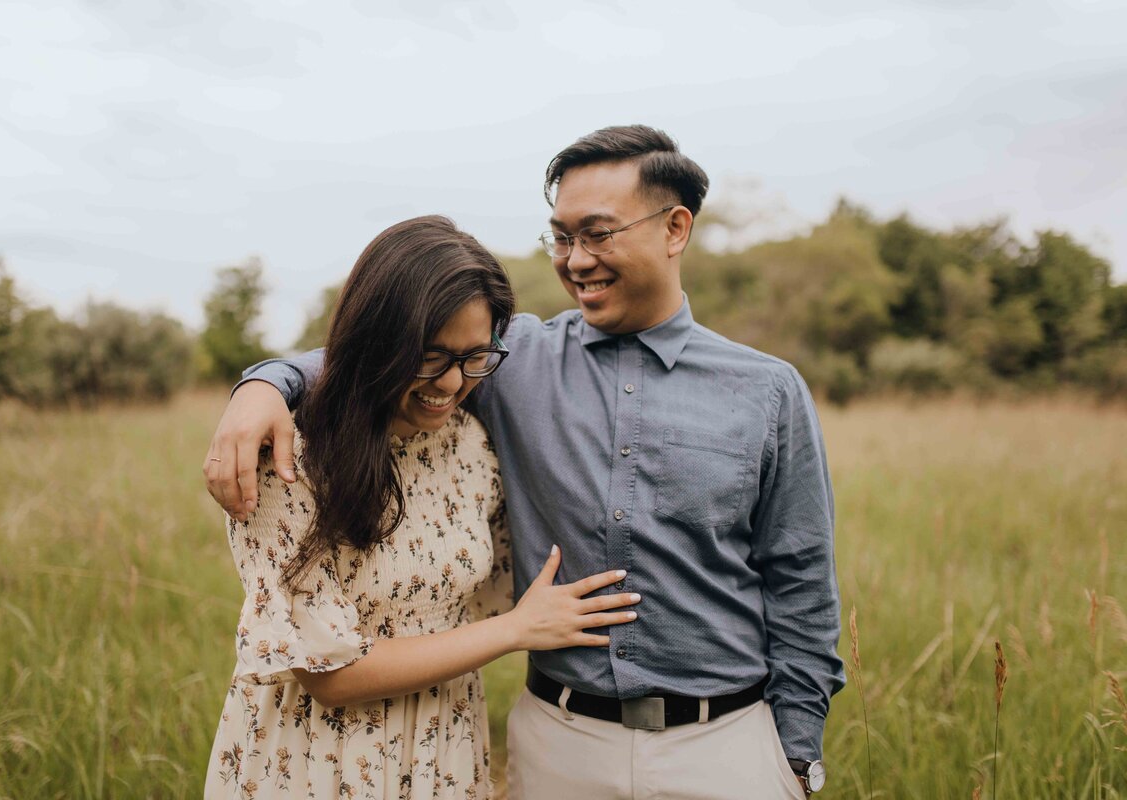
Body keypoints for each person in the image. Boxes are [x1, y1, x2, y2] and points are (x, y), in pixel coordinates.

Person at [206, 127, 844, 799]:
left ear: (675, 227)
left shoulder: (767, 390)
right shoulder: (511, 361)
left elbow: (801, 579)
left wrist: (796, 755)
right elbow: (381, 351)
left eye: (597, 234)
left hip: (725, 747)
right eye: (561, 237)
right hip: (561, 743)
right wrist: (265, 384)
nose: (575, 260)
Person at [203, 215, 642, 800]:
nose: (452, 382)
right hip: (317, 762)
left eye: (475, 356)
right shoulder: (288, 454)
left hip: (442, 749)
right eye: (430, 357)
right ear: (377, 342)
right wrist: (517, 631)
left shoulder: (469, 440)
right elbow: (330, 674)